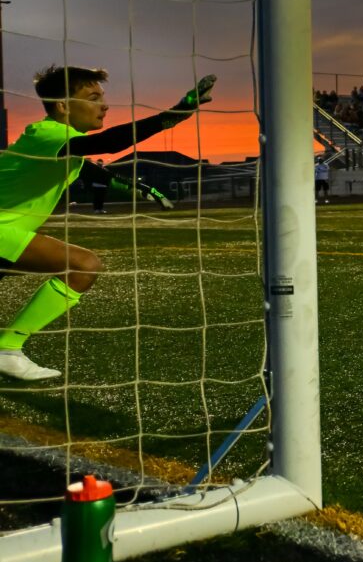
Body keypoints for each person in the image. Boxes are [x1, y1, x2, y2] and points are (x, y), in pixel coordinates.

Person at [0, 67, 214, 381]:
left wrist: (142, 189)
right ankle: (7, 349)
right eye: (93, 97)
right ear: (63, 106)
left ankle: (7, 349)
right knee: (83, 265)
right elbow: (112, 143)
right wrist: (179, 112)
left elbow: (95, 174)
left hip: (9, 233)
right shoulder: (49, 135)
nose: (104, 105)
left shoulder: (60, 145)